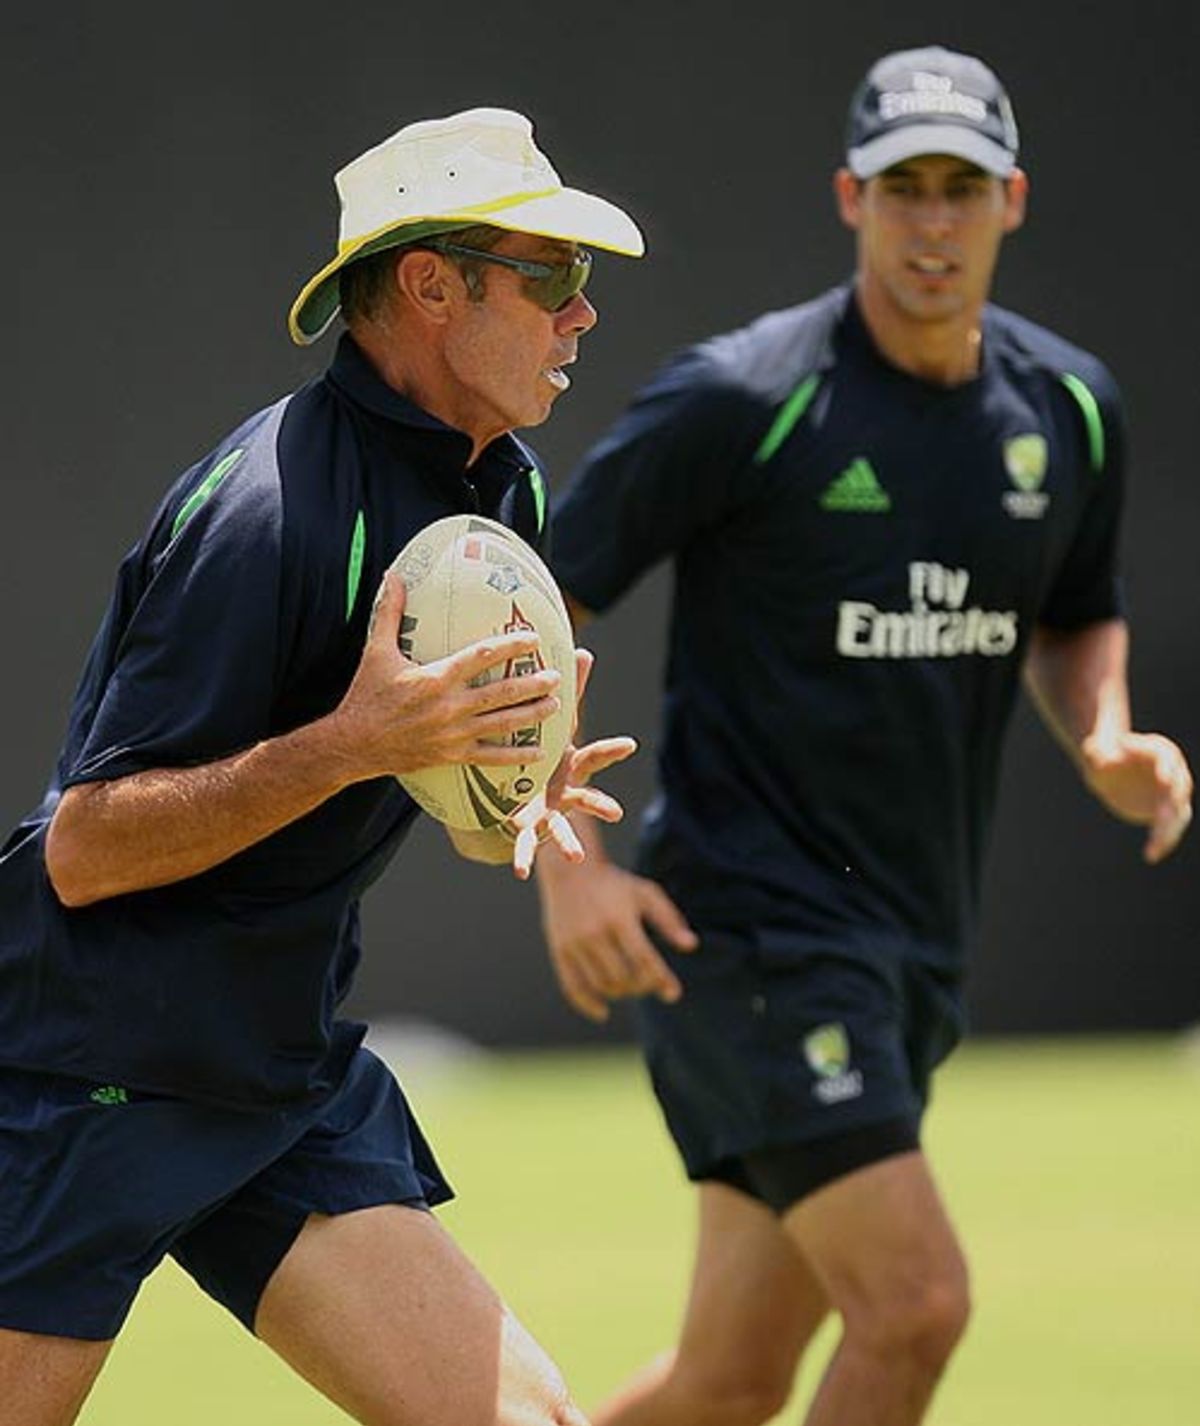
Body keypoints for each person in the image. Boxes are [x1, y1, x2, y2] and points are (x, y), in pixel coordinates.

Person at [534, 46, 1193, 1426]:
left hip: (909, 950)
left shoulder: (1068, 411)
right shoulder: (742, 397)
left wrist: (1107, 734)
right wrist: (567, 863)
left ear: (1013, 200)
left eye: (962, 189)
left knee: (732, 1378)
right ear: (852, 198)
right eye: (905, 190)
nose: (933, 222)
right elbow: (529, 603)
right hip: (747, 939)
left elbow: (1077, 611)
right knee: (918, 1304)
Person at [0, 106, 644, 1426]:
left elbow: (429, 793)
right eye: (555, 277)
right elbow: (85, 847)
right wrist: (357, 741)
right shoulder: (262, 515)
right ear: (429, 285)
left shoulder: (500, 492)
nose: (582, 317)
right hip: (91, 1065)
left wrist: (511, 789)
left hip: (277, 1069)